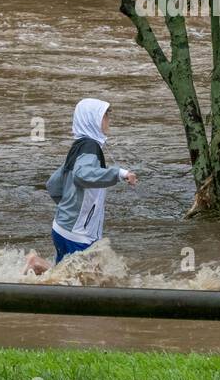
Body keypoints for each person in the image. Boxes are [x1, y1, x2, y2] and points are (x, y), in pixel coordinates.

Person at [23, 98, 137, 274]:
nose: (108, 119)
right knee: (91, 279)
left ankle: (37, 267)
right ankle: (35, 263)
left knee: (64, 278)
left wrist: (68, 208)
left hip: (62, 228)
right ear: (92, 118)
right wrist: (120, 173)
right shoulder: (90, 147)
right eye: (105, 115)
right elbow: (82, 175)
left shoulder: (78, 147)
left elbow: (53, 184)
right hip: (78, 233)